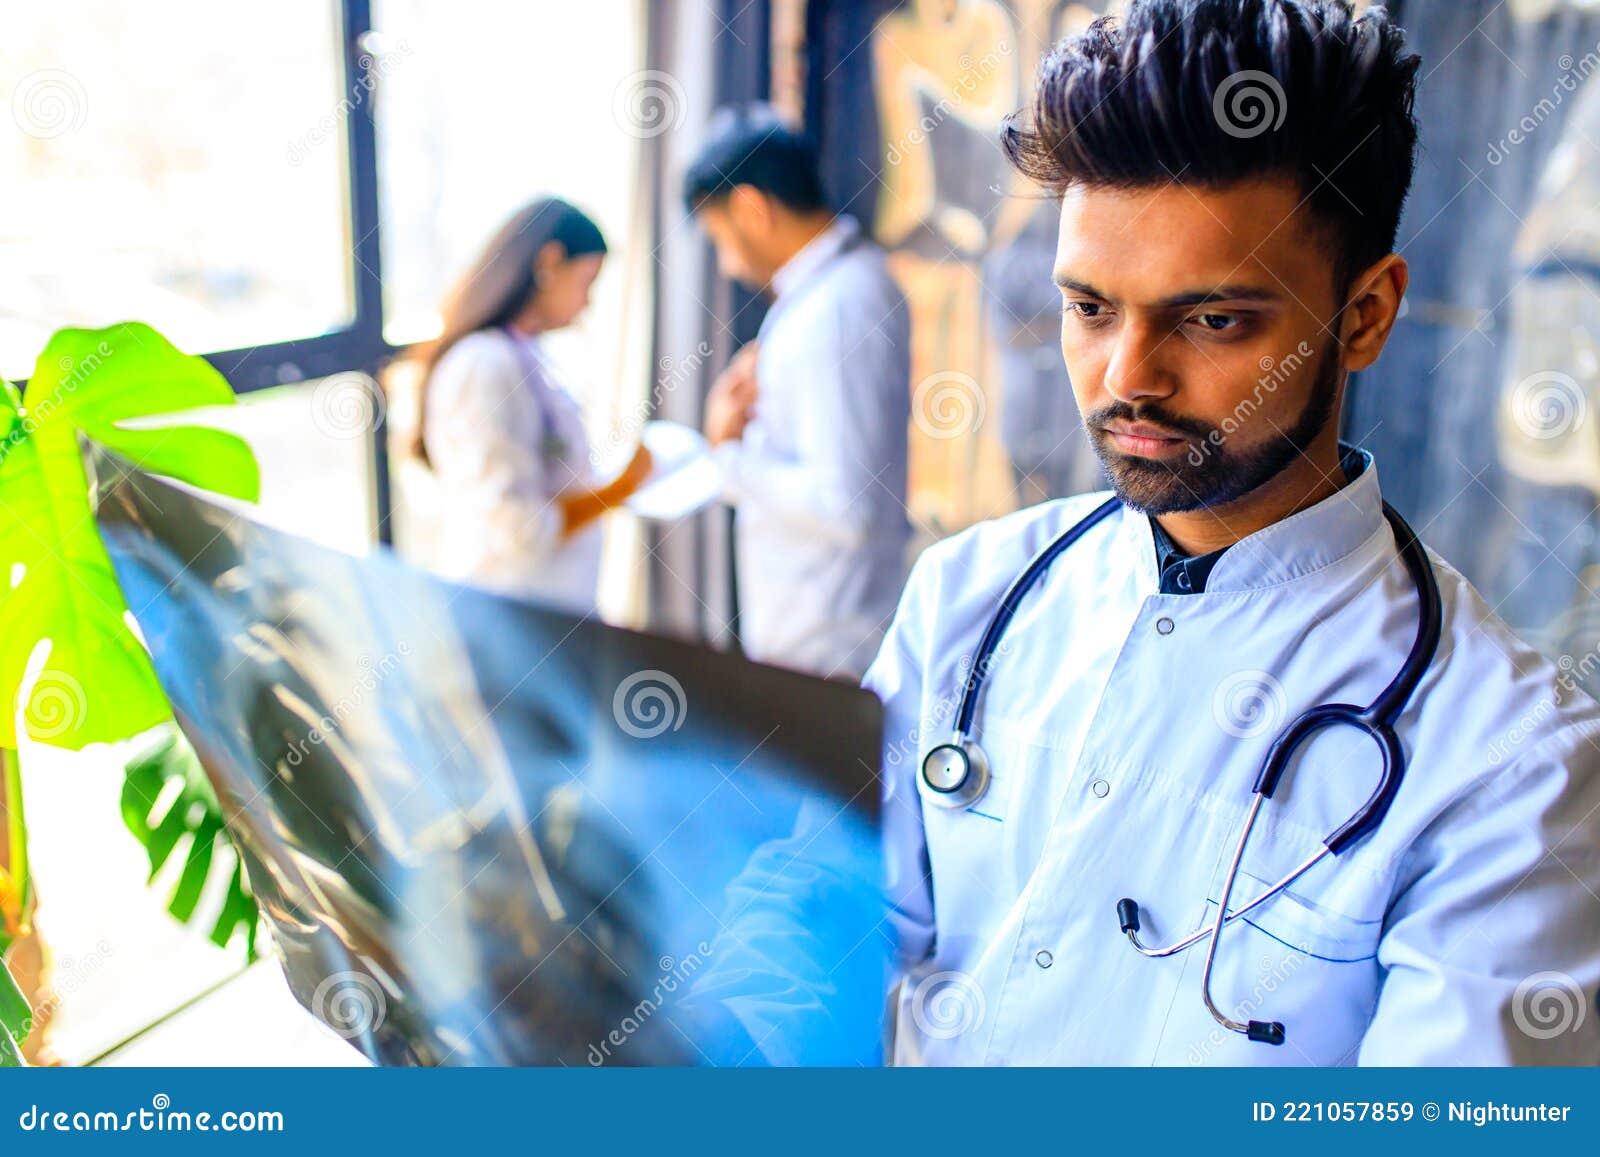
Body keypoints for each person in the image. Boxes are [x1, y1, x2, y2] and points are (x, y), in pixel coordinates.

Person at [865, 0, 1600, 1065]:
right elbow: (816, 938)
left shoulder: (1510, 768)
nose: (1128, 379)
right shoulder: (968, 595)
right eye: (1088, 307)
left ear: (1364, 316)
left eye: (1211, 320)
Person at [686, 108, 912, 680]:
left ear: (751, 210)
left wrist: (728, 456)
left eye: (719, 238)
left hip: (829, 650)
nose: (729, 263)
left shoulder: (837, 306)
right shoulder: (828, 294)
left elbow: (845, 505)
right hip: (817, 637)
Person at [409, 198, 652, 611]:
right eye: (586, 282)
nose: (587, 303)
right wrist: (619, 489)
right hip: (510, 611)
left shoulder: (522, 356)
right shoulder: (484, 365)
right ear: (550, 263)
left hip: (546, 607)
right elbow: (517, 527)